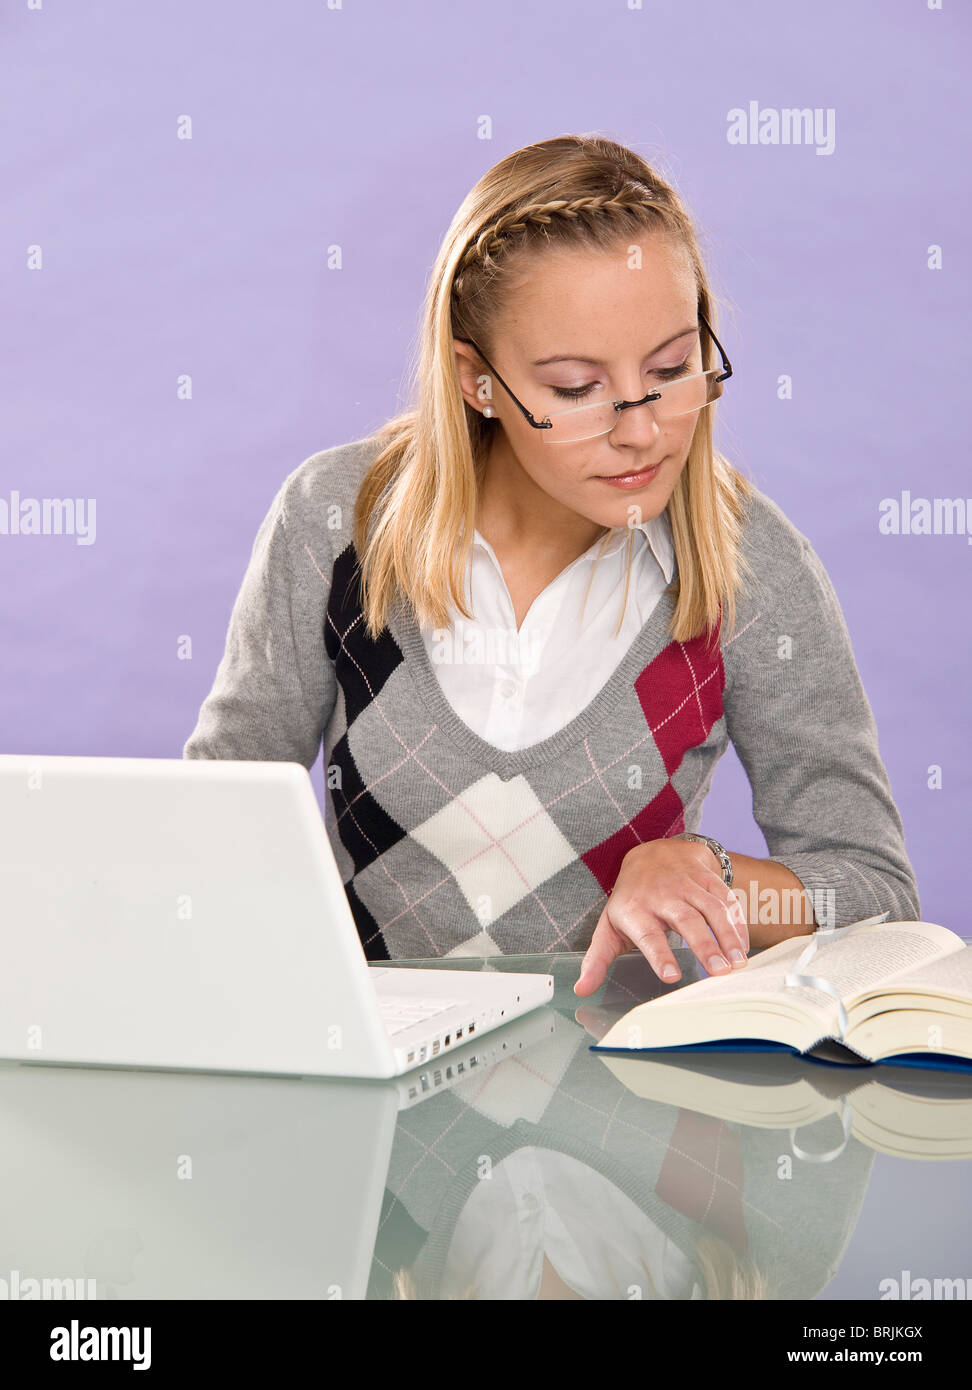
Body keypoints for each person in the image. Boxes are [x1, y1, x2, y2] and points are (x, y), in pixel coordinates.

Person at [183, 133, 920, 996]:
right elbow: (215, 826)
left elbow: (875, 895)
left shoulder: (751, 568)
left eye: (673, 368)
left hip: (630, 1107)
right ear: (476, 379)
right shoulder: (336, 521)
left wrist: (716, 875)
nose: (640, 430)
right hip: (373, 1094)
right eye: (576, 388)